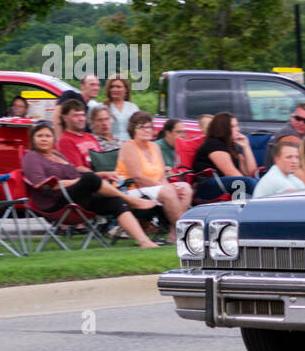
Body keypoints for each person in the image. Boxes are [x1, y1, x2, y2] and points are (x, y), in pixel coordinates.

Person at [20, 122, 158, 246]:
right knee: (90, 179)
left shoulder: (58, 155)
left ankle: (144, 241)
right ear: (33, 139)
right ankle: (130, 200)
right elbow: (42, 184)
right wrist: (81, 181)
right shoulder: (32, 157)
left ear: (53, 139)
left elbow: (78, 176)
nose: (44, 139)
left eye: (47, 136)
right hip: (55, 202)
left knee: (114, 201)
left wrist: (103, 174)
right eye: (39, 136)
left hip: (75, 199)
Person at [117, 112, 192, 239]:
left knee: (185, 187)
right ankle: (185, 230)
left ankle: (174, 233)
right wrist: (168, 188)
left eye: (149, 127)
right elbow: (138, 177)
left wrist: (171, 187)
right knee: (169, 191)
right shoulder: (129, 146)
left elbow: (162, 175)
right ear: (133, 129)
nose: (146, 130)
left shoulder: (155, 146)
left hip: (155, 188)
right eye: (142, 127)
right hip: (133, 188)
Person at [191, 111, 259, 201]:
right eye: (233, 126)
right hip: (207, 186)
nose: (238, 129)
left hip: (225, 183)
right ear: (223, 129)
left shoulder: (230, 146)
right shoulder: (214, 144)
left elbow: (251, 172)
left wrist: (246, 146)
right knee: (247, 182)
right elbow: (231, 173)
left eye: (237, 125)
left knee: (259, 181)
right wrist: (253, 184)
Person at [56, 100, 104, 170]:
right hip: (90, 179)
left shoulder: (89, 136)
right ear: (65, 118)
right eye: (76, 115)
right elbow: (78, 169)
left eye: (83, 115)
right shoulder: (65, 140)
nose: (81, 119)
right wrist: (104, 174)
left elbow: (102, 161)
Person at [103, 76, 139, 141]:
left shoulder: (133, 107)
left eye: (118, 87)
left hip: (130, 145)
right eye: (112, 87)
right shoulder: (102, 107)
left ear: (126, 90)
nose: (115, 89)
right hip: (110, 146)